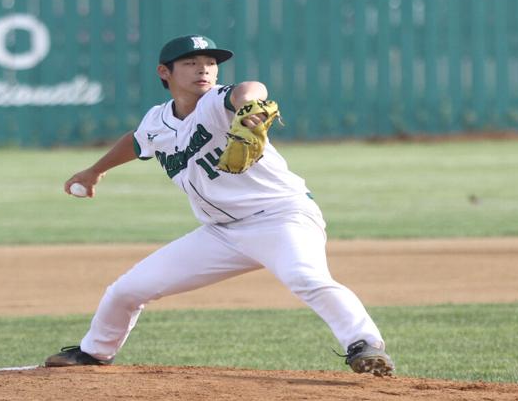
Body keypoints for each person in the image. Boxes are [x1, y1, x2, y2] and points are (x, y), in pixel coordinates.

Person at [46, 34, 393, 375]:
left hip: (281, 217)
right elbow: (137, 141)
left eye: (211, 63)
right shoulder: (157, 120)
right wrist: (94, 171)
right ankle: (95, 352)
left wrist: (248, 107)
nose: (204, 69)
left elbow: (251, 88)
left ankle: (365, 345)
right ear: (164, 72)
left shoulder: (218, 102)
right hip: (221, 234)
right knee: (126, 290)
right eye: (191, 63)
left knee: (307, 277)